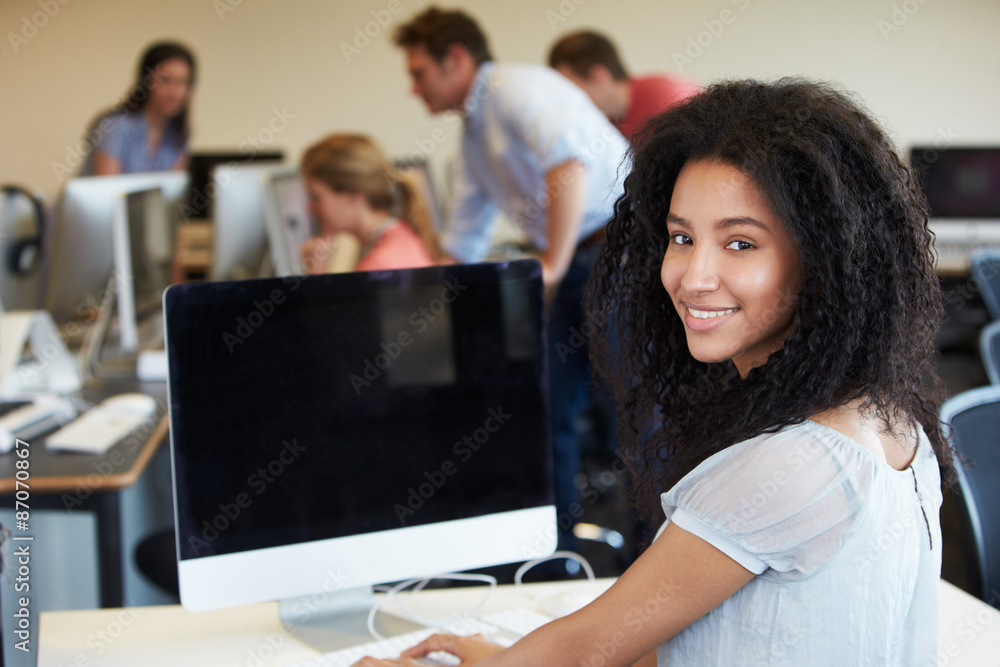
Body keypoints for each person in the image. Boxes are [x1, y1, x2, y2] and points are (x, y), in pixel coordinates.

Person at [354, 79, 951, 666]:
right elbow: (713, 635)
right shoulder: (890, 422)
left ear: (825, 261)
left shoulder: (792, 466)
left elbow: (582, 653)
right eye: (682, 237)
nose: (692, 277)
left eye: (741, 244)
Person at [393, 7, 631, 552]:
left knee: (629, 411)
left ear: (455, 59)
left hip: (613, 249)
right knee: (550, 406)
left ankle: (649, 557)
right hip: (576, 258)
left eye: (419, 72)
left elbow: (569, 165)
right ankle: (559, 550)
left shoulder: (516, 89)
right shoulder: (475, 136)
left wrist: (550, 262)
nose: (413, 88)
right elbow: (462, 244)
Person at [299, 133, 441, 273]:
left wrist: (317, 279)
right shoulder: (401, 234)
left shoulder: (377, 269)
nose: (309, 209)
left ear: (352, 196)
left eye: (315, 197)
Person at [549, 30, 699, 143]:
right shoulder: (608, 122)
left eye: (570, 86)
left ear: (598, 76)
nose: (567, 96)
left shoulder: (666, 95)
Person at [80, 41, 196, 176]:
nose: (175, 93)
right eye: (165, 80)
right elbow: (108, 191)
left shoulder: (178, 132)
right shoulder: (115, 126)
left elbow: (174, 189)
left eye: (182, 82)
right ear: (146, 81)